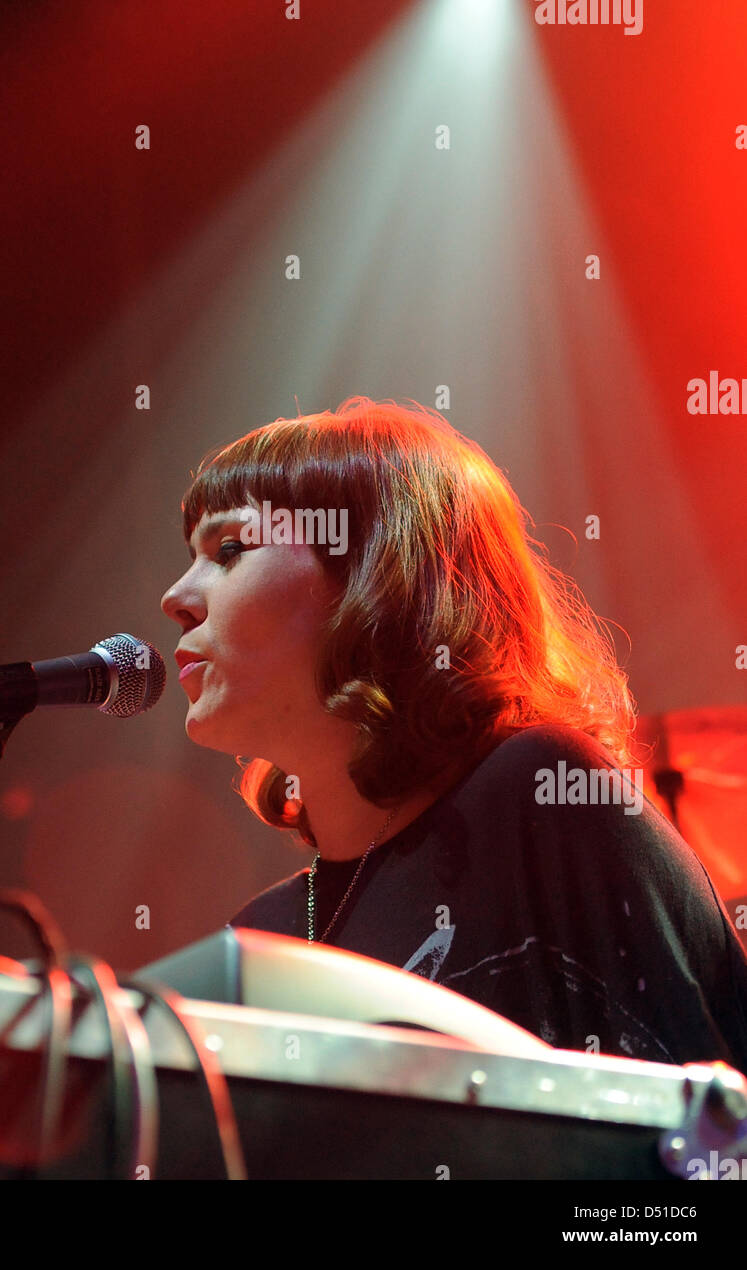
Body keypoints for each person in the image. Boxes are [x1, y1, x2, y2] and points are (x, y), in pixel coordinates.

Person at [160, 396, 747, 1069]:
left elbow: (696, 1136)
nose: (175, 595)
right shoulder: (259, 938)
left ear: (376, 577)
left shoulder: (540, 794)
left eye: (229, 549)